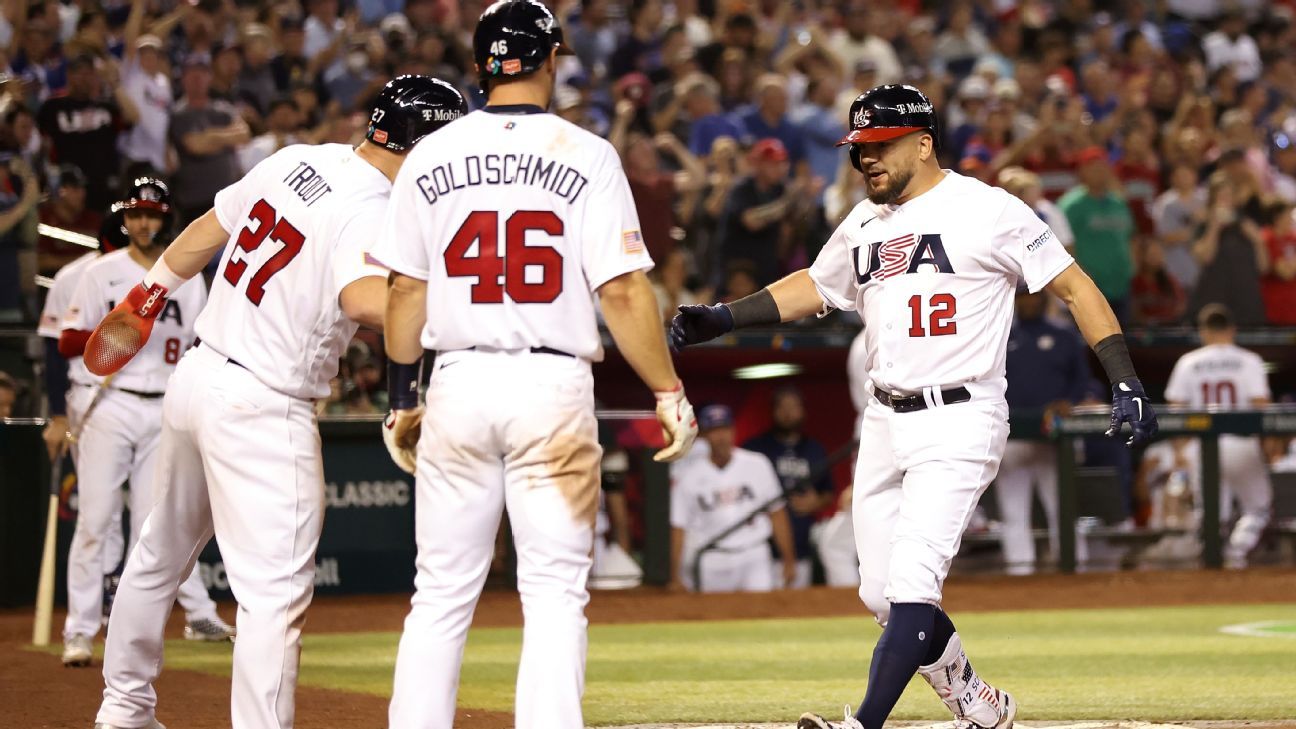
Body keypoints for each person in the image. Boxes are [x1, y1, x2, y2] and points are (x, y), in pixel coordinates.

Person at [669, 84, 1158, 729]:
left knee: (912, 587)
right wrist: (725, 317)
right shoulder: (864, 221)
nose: (866, 159)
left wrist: (1123, 378)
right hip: (882, 419)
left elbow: (1073, 285)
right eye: (858, 149)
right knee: (880, 594)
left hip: (961, 414)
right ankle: (978, 704)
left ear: (924, 144)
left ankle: (863, 724)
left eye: (880, 145)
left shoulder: (987, 208)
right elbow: (817, 284)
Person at [83, 76, 467, 729]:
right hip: (262, 404)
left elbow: (208, 228)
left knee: (157, 554)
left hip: (198, 376)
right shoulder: (372, 206)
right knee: (274, 595)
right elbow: (363, 300)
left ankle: (123, 708)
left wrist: (148, 294)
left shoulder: (297, 158)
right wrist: (461, 297)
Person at [371, 4, 697, 728]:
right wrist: (667, 389)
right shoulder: (587, 153)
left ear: (481, 65)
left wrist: (401, 396)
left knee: (441, 591)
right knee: (553, 593)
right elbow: (621, 290)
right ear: (551, 59)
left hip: (457, 380)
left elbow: (403, 291)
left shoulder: (429, 154)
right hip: (551, 385)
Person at [56, 177, 232, 669]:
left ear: (165, 220)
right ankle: (79, 630)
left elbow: (202, 340)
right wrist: (117, 330)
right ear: (125, 219)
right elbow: (68, 341)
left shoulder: (187, 275)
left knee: (150, 526)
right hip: (111, 403)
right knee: (95, 519)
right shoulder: (102, 272)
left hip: (163, 404)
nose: (143, 223)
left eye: (152, 215)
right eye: (136, 214)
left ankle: (130, 634)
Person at [1164, 304, 1272, 569]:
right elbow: (1260, 405)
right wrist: (1268, 446)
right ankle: (1237, 552)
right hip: (1240, 443)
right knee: (1258, 508)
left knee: (1212, 512)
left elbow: (1176, 411)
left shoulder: (1189, 362)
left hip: (1200, 445)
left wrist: (1180, 451)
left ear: (1204, 331)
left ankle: (1211, 561)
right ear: (1232, 329)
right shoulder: (1249, 360)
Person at [998, 289, 1093, 575]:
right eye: (1023, 297)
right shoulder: (1000, 334)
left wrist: (1068, 401)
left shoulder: (1063, 335)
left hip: (1055, 434)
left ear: (1044, 299)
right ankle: (1019, 571)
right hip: (1012, 433)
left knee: (1061, 506)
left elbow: (1082, 380)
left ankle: (1074, 565)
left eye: (1034, 296)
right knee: (1013, 510)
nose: (1029, 301)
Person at [670, 404, 795, 592]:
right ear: (704, 436)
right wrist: (674, 574)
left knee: (761, 607)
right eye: (714, 431)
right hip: (711, 558)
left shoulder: (758, 464)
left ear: (733, 431)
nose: (721, 437)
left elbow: (777, 513)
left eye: (725, 429)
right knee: (713, 610)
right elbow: (679, 528)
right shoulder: (688, 476)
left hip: (753, 554)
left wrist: (789, 559)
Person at [743, 387, 835, 588]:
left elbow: (828, 493)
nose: (787, 413)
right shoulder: (755, 449)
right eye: (782, 407)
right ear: (773, 411)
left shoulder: (814, 449)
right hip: (760, 549)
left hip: (801, 545)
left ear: (803, 411)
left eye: (793, 407)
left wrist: (816, 502)